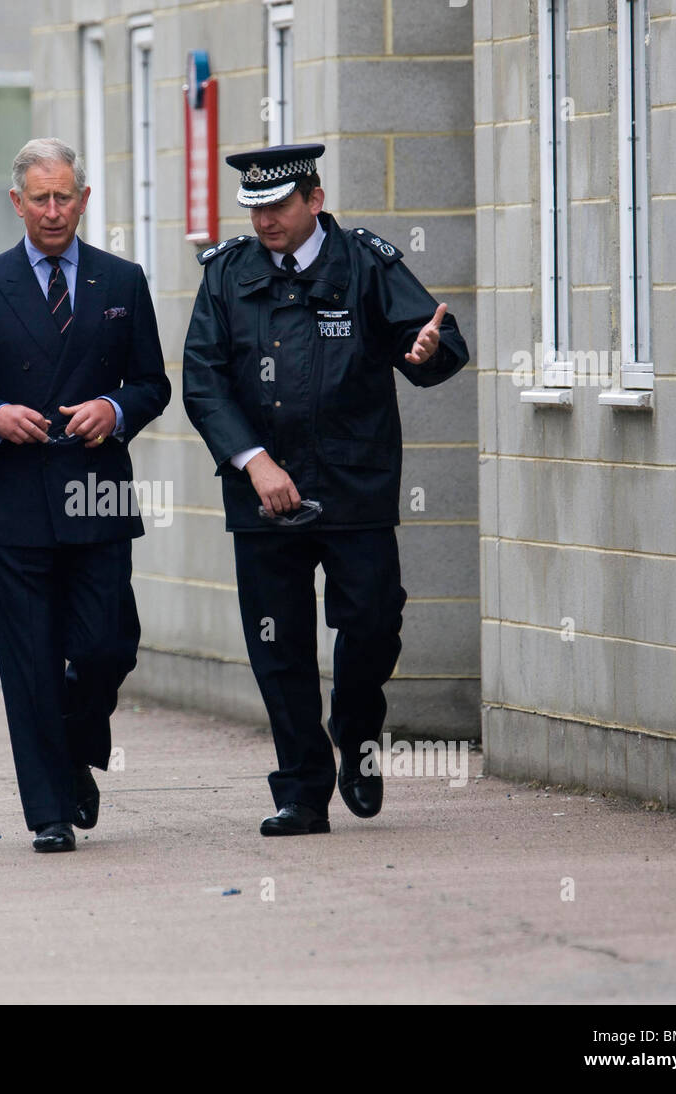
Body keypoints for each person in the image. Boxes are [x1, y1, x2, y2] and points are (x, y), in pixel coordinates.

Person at [182, 143, 469, 836]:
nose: (265, 222)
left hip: (352, 483)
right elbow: (204, 379)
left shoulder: (365, 262)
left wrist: (429, 351)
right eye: (254, 208)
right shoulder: (227, 274)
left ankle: (357, 728)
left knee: (373, 621)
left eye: (278, 206)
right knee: (277, 647)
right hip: (264, 492)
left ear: (314, 199)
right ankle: (302, 792)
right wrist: (254, 463)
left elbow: (433, 338)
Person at [0, 137, 170, 853]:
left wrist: (117, 410)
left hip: (97, 498)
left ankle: (73, 755)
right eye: (41, 198)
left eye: (66, 195)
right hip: (15, 503)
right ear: (18, 203)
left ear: (84, 199)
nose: (55, 209)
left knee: (105, 647)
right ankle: (49, 812)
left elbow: (153, 383)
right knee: (30, 661)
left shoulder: (121, 282)